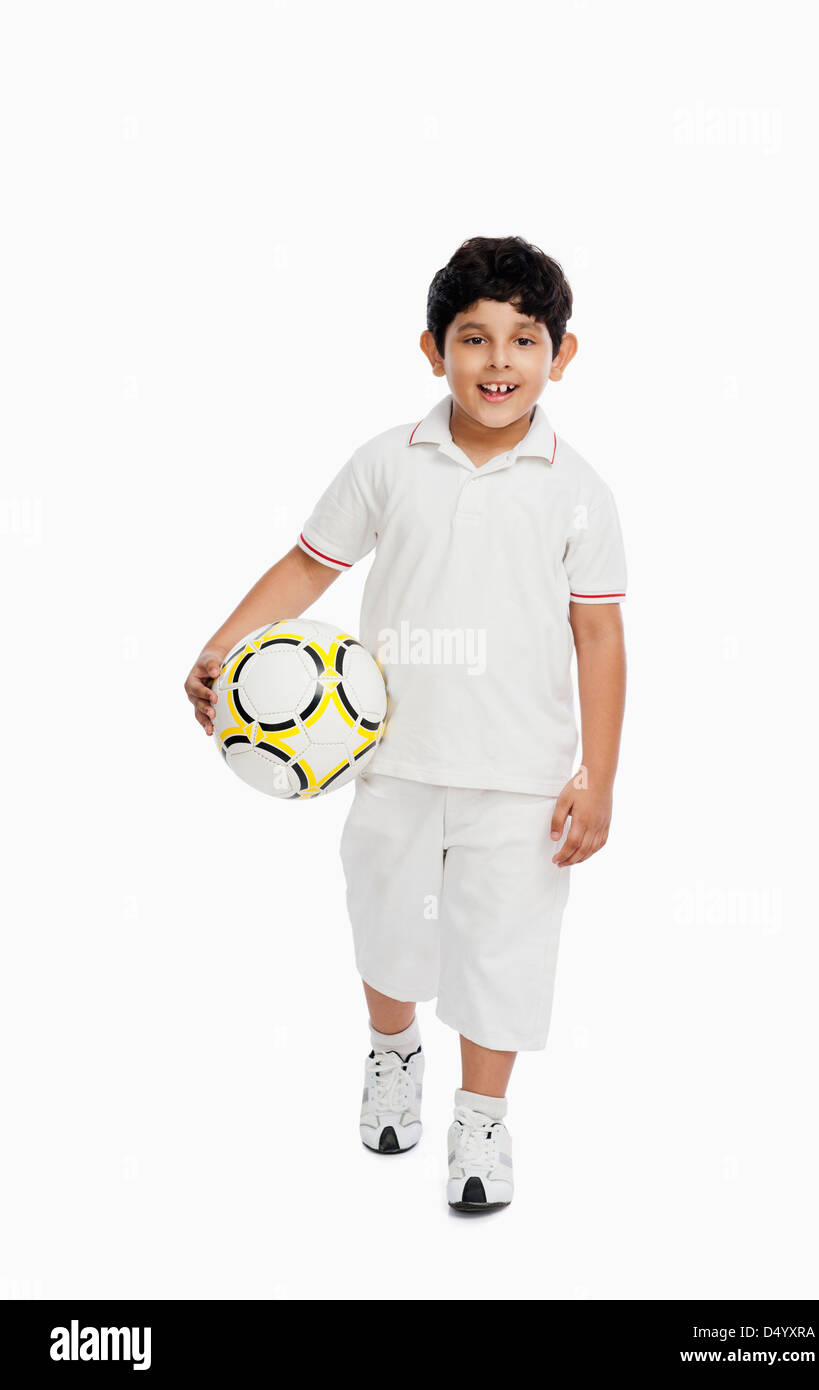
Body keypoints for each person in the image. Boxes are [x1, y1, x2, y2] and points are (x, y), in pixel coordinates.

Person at [184, 235, 627, 1212]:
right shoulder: (389, 460)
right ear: (433, 351)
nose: (499, 361)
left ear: (563, 352)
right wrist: (221, 648)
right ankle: (392, 1055)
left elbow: (597, 637)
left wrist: (595, 776)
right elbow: (308, 567)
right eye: (474, 339)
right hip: (392, 761)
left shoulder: (576, 489)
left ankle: (481, 1121)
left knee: (502, 954)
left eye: (523, 339)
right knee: (386, 932)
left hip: (520, 778)